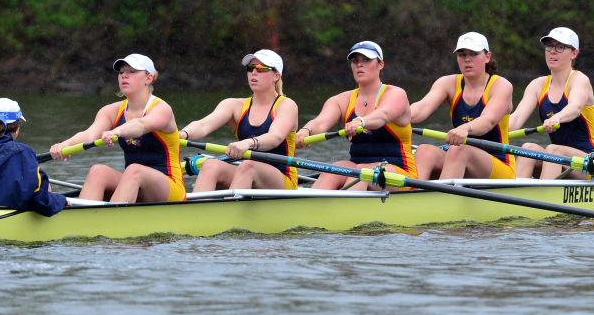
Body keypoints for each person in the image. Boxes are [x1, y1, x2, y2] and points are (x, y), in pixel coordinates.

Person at [50, 54, 185, 202]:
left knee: (134, 170)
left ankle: (111, 215)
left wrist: (117, 131)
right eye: (121, 72)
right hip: (134, 182)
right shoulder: (111, 111)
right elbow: (89, 135)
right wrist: (65, 144)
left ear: (149, 78)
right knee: (97, 171)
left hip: (170, 187)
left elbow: (141, 125)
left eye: (132, 71)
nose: (124, 76)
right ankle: (85, 216)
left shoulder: (162, 109)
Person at [296, 40, 416, 190]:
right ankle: (309, 203)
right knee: (333, 170)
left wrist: (360, 121)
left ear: (381, 64)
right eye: (355, 61)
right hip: (358, 169)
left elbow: (383, 115)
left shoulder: (396, 94)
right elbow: (320, 123)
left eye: (366, 60)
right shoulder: (341, 100)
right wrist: (305, 131)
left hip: (401, 174)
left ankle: (345, 203)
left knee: (362, 172)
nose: (359, 64)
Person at [178, 49, 299, 191]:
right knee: (210, 165)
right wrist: (181, 135)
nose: (254, 73)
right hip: (246, 174)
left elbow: (275, 137)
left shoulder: (286, 105)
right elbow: (203, 125)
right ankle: (198, 205)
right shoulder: (234, 105)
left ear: (276, 76)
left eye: (261, 69)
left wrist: (248, 143)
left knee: (248, 166)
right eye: (250, 68)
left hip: (282, 179)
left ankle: (229, 204)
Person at [409, 31, 515, 179]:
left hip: (499, 164)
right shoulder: (447, 83)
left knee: (458, 150)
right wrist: (393, 116)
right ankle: (414, 192)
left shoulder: (501, 85)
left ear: (487, 56)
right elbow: (421, 108)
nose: (467, 59)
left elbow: (488, 120)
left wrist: (466, 128)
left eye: (473, 54)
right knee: (424, 150)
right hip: (459, 157)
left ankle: (439, 193)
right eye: (462, 55)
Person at [508, 27, 594, 179]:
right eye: (549, 46)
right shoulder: (537, 85)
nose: (552, 52)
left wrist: (557, 118)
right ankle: (514, 191)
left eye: (560, 47)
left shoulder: (579, 80)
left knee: (553, 150)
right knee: (527, 148)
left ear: (574, 53)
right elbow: (515, 120)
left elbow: (575, 108)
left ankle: (544, 192)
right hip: (561, 162)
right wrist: (480, 130)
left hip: (593, 162)